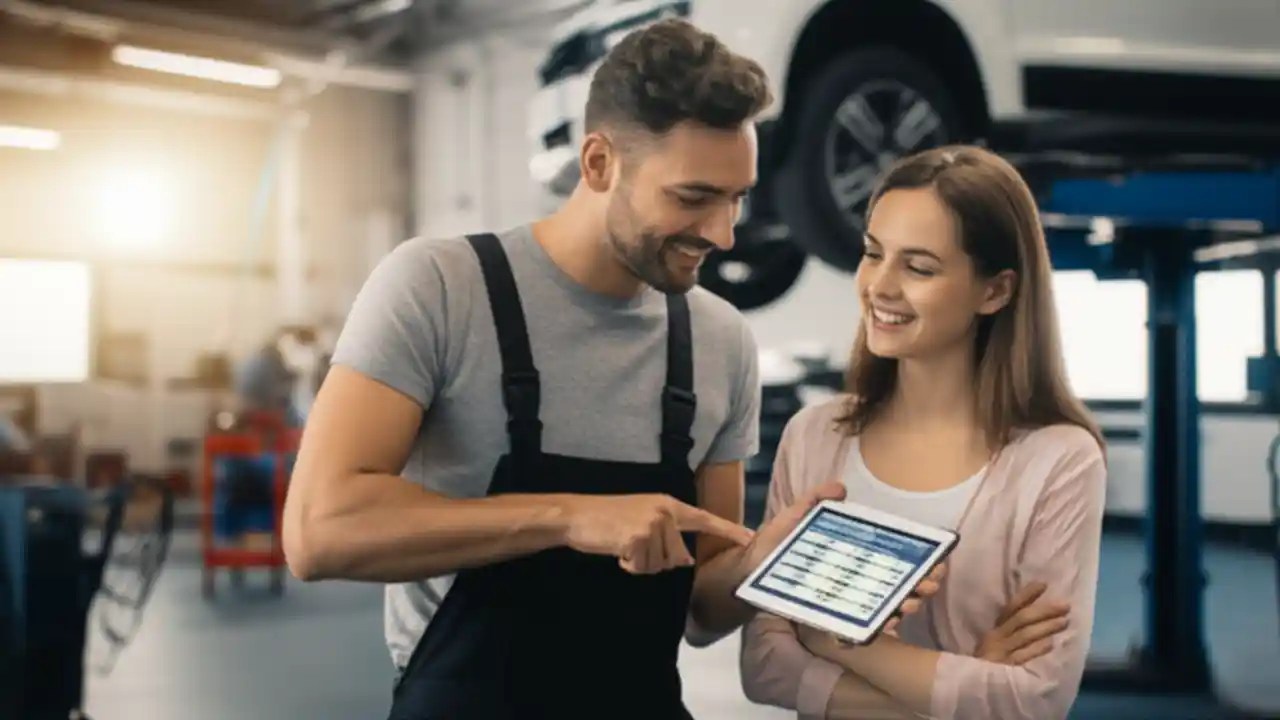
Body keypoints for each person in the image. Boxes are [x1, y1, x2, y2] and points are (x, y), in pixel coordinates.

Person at [282, 19, 939, 720]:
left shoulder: (718, 341)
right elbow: (319, 532)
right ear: (598, 164)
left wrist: (762, 564)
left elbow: (699, 610)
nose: (723, 234)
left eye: (736, 197)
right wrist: (569, 518)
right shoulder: (440, 288)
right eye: (692, 197)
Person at [739, 145, 1107, 720]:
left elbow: (1035, 699)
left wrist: (831, 642)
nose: (879, 287)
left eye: (919, 267)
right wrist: (958, 689)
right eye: (873, 253)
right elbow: (764, 666)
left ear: (996, 291)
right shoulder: (814, 437)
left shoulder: (1059, 461)